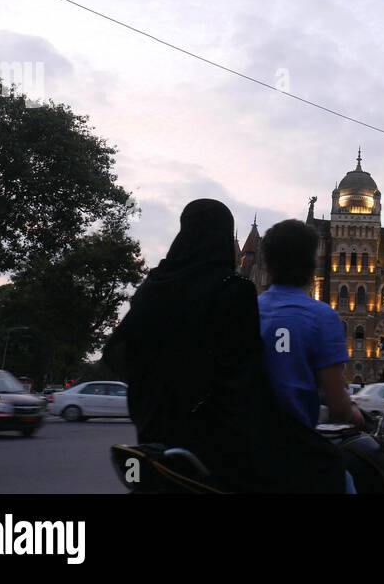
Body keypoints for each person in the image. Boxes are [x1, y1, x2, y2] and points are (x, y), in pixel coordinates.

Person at [104, 199, 345, 493]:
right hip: (217, 441)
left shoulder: (151, 288)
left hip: (152, 433)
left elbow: (119, 353)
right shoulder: (233, 291)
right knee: (329, 464)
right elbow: (246, 377)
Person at [257, 219, 364, 492]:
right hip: (295, 451)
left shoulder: (244, 312)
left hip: (247, 447)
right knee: (348, 481)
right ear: (313, 265)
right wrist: (356, 414)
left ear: (267, 266)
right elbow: (338, 407)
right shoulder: (321, 317)